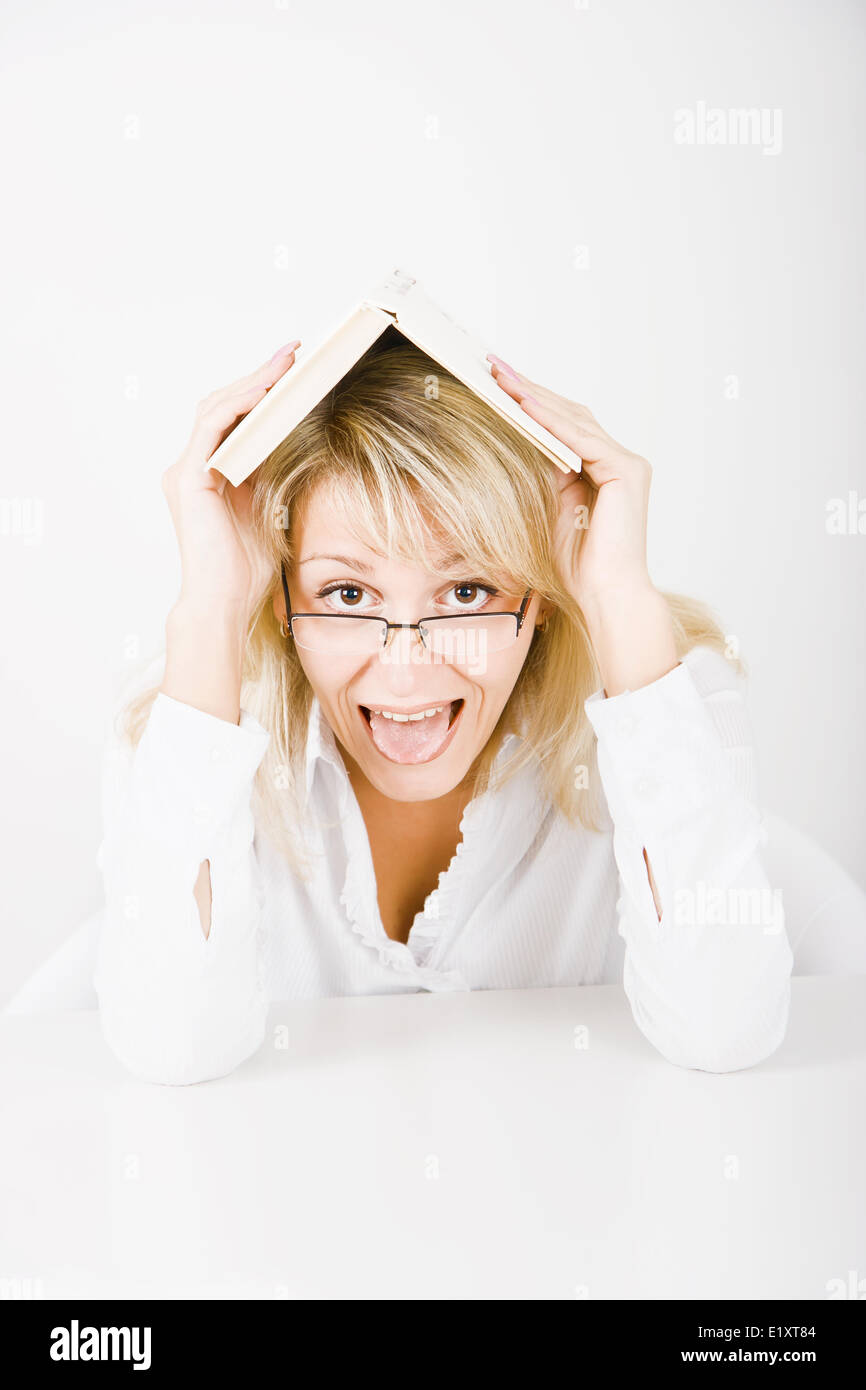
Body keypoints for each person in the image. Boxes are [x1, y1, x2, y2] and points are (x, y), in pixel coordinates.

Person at [94, 334, 793, 1085]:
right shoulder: (185, 722)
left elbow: (725, 1033)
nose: (404, 674)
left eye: (466, 592)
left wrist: (620, 597)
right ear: (282, 596)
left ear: (542, 596)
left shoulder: (667, 697)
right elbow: (172, 1050)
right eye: (348, 594)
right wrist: (211, 609)